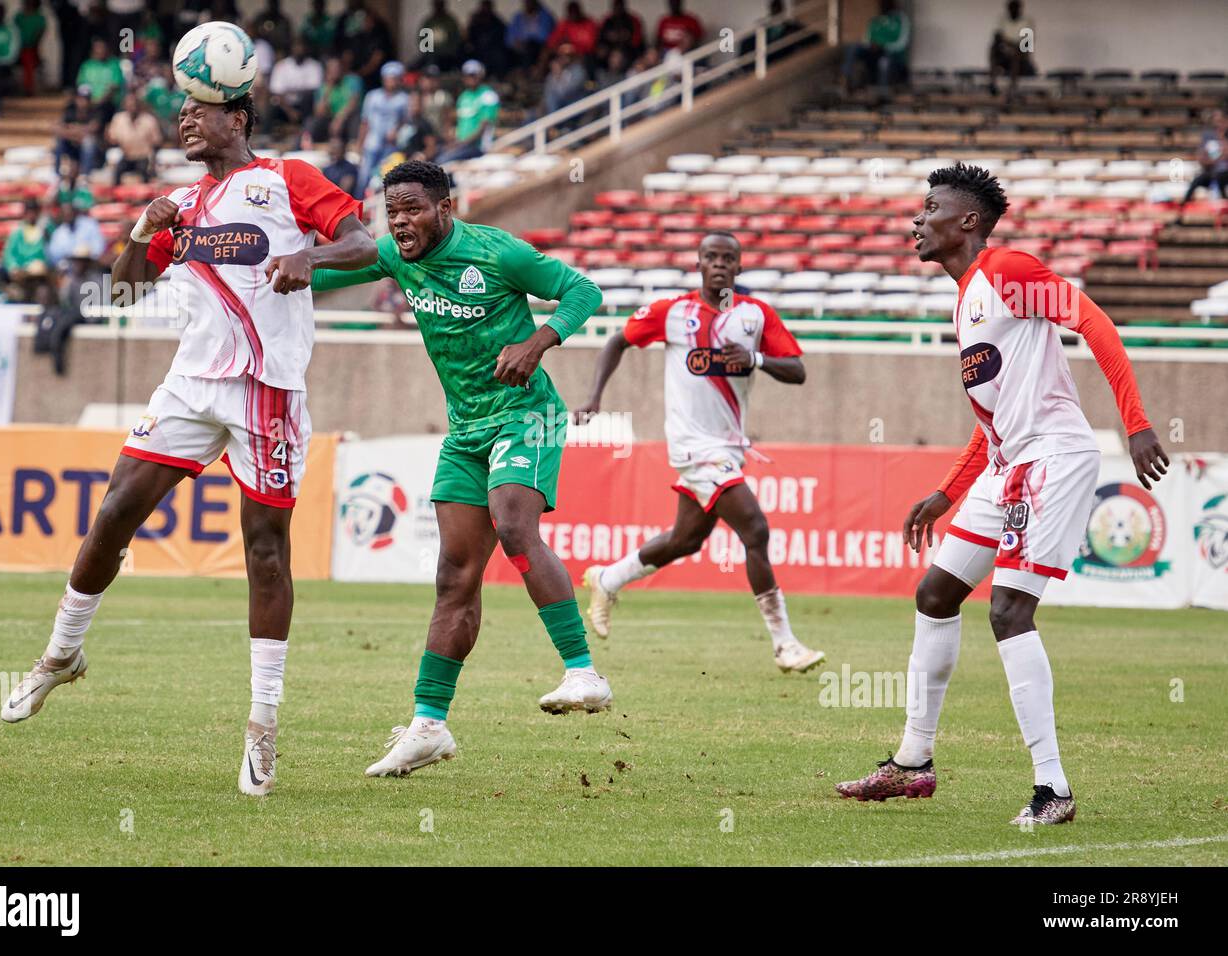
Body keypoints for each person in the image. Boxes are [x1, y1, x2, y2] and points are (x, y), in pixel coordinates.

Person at [0, 93, 378, 801]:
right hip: (190, 387)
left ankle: (263, 726)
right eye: (180, 113)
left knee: (265, 551)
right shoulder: (181, 204)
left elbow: (368, 245)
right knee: (114, 512)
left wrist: (309, 255)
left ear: (239, 119)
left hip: (267, 389)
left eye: (201, 110)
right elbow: (124, 292)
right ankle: (62, 654)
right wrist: (142, 232)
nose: (186, 122)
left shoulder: (286, 179)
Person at [835, 163, 1169, 825]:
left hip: (1052, 457)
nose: (917, 220)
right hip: (1008, 461)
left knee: (1010, 612)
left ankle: (1054, 791)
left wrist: (1135, 423)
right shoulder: (967, 300)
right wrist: (945, 492)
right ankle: (912, 763)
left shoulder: (1008, 270)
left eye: (930, 207)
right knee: (936, 592)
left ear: (967, 221)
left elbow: (1095, 323)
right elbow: (993, 421)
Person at [312, 160, 608, 777]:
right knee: (454, 575)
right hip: (466, 430)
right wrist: (283, 268)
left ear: (446, 207)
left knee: (513, 522)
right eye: (392, 212)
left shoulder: (498, 254)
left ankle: (583, 673)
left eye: (413, 209)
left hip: (528, 414)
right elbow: (331, 274)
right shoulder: (397, 255)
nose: (400, 221)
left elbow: (585, 291)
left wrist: (537, 342)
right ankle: (429, 725)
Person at [573, 232, 825, 674]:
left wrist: (755, 360)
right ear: (699, 264)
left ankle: (608, 578)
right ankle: (785, 645)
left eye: (729, 258)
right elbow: (617, 341)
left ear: (740, 268)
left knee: (686, 539)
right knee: (757, 530)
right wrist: (595, 397)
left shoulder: (755, 315)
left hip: (727, 447)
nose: (720, 264)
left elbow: (798, 370)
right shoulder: (673, 313)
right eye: (712, 257)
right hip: (693, 448)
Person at [435, 59, 498, 164]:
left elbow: (483, 127)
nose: (471, 78)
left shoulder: (488, 95)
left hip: (478, 147)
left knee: (442, 161)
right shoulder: (464, 96)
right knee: (434, 154)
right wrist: (453, 142)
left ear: (480, 75)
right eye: (468, 75)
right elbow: (459, 124)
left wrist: (461, 144)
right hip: (462, 145)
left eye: (474, 75)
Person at [841, 0, 910, 93]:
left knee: (884, 62)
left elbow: (901, 44)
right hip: (875, 52)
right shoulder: (876, 19)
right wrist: (871, 45)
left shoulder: (901, 19)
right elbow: (866, 39)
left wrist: (882, 45)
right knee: (853, 47)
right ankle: (845, 78)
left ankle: (882, 91)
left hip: (891, 56)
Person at [358, 60, 409, 186]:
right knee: (363, 177)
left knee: (383, 178)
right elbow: (365, 122)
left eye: (394, 78)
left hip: (391, 146)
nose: (391, 81)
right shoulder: (372, 96)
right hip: (371, 144)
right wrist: (359, 144)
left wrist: (396, 131)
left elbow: (406, 121)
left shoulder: (404, 99)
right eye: (388, 78)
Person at [304, 56, 363, 149]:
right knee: (312, 120)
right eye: (331, 69)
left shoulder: (353, 80)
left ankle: (354, 145)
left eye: (337, 68)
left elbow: (353, 103)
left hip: (347, 117)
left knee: (356, 115)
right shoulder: (323, 87)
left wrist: (338, 119)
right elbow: (319, 112)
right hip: (331, 118)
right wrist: (329, 89)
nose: (335, 71)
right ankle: (308, 144)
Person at [268, 37, 324, 133]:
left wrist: (291, 92)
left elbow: (313, 90)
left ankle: (306, 132)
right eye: (296, 47)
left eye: (302, 47)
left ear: (307, 48)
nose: (299, 49)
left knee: (308, 97)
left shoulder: (315, 66)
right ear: (291, 48)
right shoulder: (281, 66)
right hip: (285, 105)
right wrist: (290, 111)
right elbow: (277, 92)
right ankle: (269, 135)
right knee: (271, 104)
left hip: (305, 106)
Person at [106, 92, 163, 184]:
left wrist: (152, 160)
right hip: (126, 157)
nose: (132, 107)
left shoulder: (149, 120)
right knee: (116, 174)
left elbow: (157, 142)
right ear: (125, 106)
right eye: (129, 105)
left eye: (134, 105)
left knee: (145, 175)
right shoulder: (119, 119)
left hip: (143, 157)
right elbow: (112, 139)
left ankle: (146, 196)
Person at [1, 198, 49, 295]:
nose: (32, 215)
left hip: (38, 273)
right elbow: (9, 254)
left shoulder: (45, 231)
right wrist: (14, 267)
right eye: (29, 212)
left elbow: (46, 253)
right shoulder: (17, 232)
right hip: (21, 272)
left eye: (34, 212)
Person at [52, 86, 102, 177]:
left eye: (86, 99)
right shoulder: (70, 110)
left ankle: (85, 176)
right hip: (72, 144)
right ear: (76, 99)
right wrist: (77, 133)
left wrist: (72, 129)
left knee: (89, 142)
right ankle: (56, 175)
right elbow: (56, 128)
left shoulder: (95, 111)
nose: (83, 101)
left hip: (90, 150)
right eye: (81, 98)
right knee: (59, 141)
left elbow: (93, 128)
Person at [1181, 110, 1228, 206]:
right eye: (1215, 121)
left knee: (1220, 177)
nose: (1218, 124)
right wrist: (1214, 159)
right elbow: (1202, 157)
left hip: (1224, 173)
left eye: (1220, 121)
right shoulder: (1208, 137)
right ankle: (1182, 210)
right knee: (1197, 180)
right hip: (1212, 171)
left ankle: (1224, 206)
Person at [989, 0, 1035, 93]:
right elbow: (998, 37)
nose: (1012, 11)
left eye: (1015, 9)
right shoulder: (1003, 20)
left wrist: (1012, 45)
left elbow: (1027, 44)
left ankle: (1012, 87)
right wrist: (1008, 45)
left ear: (1019, 9)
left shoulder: (1027, 21)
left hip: (1021, 55)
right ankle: (993, 83)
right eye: (1010, 9)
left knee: (1016, 52)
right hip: (1005, 52)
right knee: (993, 49)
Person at [76, 37, 124, 126]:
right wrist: (85, 102)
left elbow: (114, 88)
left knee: (101, 111)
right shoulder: (87, 65)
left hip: (107, 104)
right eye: (97, 47)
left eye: (102, 47)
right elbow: (81, 86)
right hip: (88, 103)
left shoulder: (114, 65)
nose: (100, 50)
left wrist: (98, 102)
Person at [45, 198, 105, 268]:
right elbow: (55, 256)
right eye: (65, 214)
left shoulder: (90, 225)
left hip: (90, 265)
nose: (68, 216)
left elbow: (98, 248)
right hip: (70, 269)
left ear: (75, 212)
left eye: (70, 213)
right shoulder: (59, 233)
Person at [506, 0, 556, 72]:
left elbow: (545, 36)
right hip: (519, 48)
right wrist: (515, 42)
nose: (527, 4)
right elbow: (509, 37)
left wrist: (526, 40)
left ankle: (528, 73)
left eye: (529, 2)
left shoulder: (545, 17)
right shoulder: (518, 17)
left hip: (538, 47)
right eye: (526, 2)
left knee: (530, 46)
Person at [464, 1, 509, 79]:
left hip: (493, 51)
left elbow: (501, 39)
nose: (485, 10)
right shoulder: (475, 22)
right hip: (477, 50)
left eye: (487, 8)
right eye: (483, 8)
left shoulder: (497, 23)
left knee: (499, 56)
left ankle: (499, 78)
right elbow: (469, 38)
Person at [417, 0, 463, 73]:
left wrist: (449, 52)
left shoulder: (450, 21)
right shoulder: (429, 22)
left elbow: (456, 40)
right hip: (431, 56)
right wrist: (429, 53)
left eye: (440, 5)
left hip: (448, 57)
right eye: (437, 5)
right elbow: (422, 41)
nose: (438, 8)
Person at [597, 0, 644, 69]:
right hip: (610, 48)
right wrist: (610, 38)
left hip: (628, 48)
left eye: (620, 6)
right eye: (616, 7)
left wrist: (623, 37)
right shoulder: (608, 20)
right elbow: (601, 37)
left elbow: (637, 40)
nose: (618, 9)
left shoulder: (632, 20)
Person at [13, 0, 46, 96]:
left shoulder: (39, 17)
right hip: (16, 49)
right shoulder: (18, 17)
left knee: (28, 57)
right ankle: (24, 88)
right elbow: (13, 32)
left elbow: (40, 33)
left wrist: (32, 44)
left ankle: (28, 89)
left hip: (32, 48)